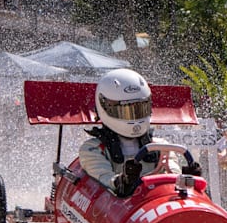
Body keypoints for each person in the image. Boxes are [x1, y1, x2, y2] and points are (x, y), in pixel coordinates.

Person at [78, 69, 193, 197]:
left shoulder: (160, 146)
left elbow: (173, 176)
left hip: (154, 203)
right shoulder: (92, 149)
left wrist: (188, 179)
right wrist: (123, 181)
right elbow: (105, 179)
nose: (134, 117)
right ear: (105, 107)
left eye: (139, 109)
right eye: (125, 111)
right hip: (120, 207)